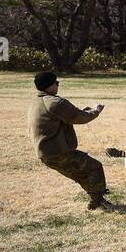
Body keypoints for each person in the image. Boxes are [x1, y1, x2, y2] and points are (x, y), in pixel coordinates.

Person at [28, 71, 111, 210]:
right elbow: (80, 118)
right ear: (49, 85)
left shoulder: (37, 101)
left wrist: (85, 111)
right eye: (56, 82)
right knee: (94, 166)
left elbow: (69, 115)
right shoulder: (55, 102)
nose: (58, 85)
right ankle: (97, 201)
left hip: (45, 152)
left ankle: (97, 199)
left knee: (81, 173)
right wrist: (96, 111)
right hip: (58, 152)